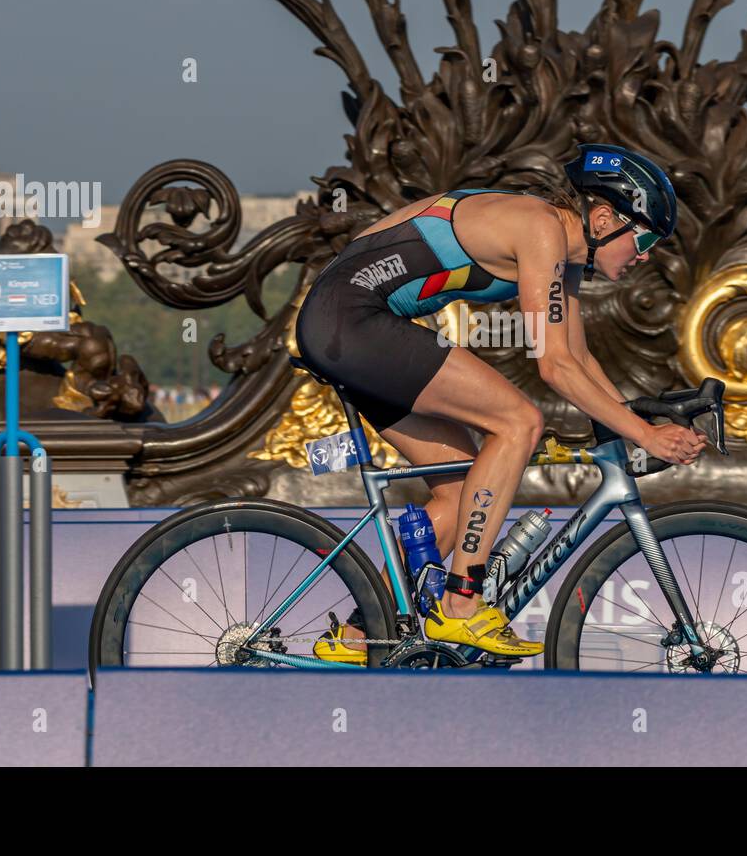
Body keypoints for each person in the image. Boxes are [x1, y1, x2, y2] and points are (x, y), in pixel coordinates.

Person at [294, 143, 708, 663]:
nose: (645, 254)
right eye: (644, 237)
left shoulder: (565, 251)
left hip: (348, 325)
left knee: (459, 492)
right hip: (351, 321)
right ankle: (461, 605)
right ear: (603, 217)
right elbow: (552, 366)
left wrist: (634, 418)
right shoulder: (540, 227)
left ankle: (359, 636)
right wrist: (646, 437)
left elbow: (577, 356)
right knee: (518, 422)